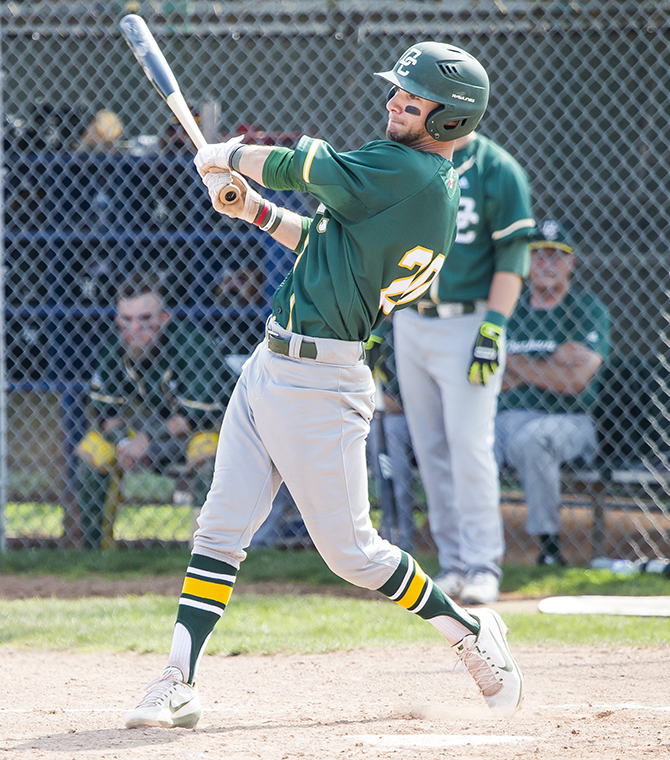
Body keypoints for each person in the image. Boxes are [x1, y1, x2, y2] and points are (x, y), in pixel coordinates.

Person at [124, 42, 523, 731]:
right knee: (219, 528)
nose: (396, 103)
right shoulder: (407, 178)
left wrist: (228, 153)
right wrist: (252, 209)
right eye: (398, 92)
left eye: (413, 98)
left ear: (451, 120)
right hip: (270, 366)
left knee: (354, 556)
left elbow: (303, 165)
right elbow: (322, 242)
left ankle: (469, 633)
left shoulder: (411, 172)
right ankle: (177, 679)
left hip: (322, 382)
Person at [392, 99, 536, 606]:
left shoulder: (496, 168)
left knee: (469, 446)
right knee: (428, 447)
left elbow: (514, 253)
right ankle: (452, 563)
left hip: (468, 322)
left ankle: (483, 564)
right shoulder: (407, 158)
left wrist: (494, 326)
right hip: (410, 318)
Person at [73, 273, 233, 550]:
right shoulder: (114, 348)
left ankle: (207, 553)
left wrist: (145, 441)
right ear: (117, 321)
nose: (136, 328)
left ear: (164, 320)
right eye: (127, 320)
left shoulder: (191, 343)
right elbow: (106, 414)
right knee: (92, 451)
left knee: (206, 453)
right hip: (148, 433)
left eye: (146, 319)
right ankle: (95, 552)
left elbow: (196, 417)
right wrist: (124, 443)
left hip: (204, 431)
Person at [498, 219, 609, 566]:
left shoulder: (586, 309)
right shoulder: (508, 308)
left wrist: (515, 363)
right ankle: (475, 548)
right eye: (539, 257)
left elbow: (577, 382)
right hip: (504, 418)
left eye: (556, 257)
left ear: (570, 263)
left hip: (570, 421)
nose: (546, 265)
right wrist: (550, 362)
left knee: (534, 440)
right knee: (467, 438)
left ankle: (549, 548)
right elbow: (488, 378)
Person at [366, 322, 417, 552]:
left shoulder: (409, 327)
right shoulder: (360, 326)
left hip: (414, 417)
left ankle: (399, 536)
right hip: (369, 412)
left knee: (389, 430)